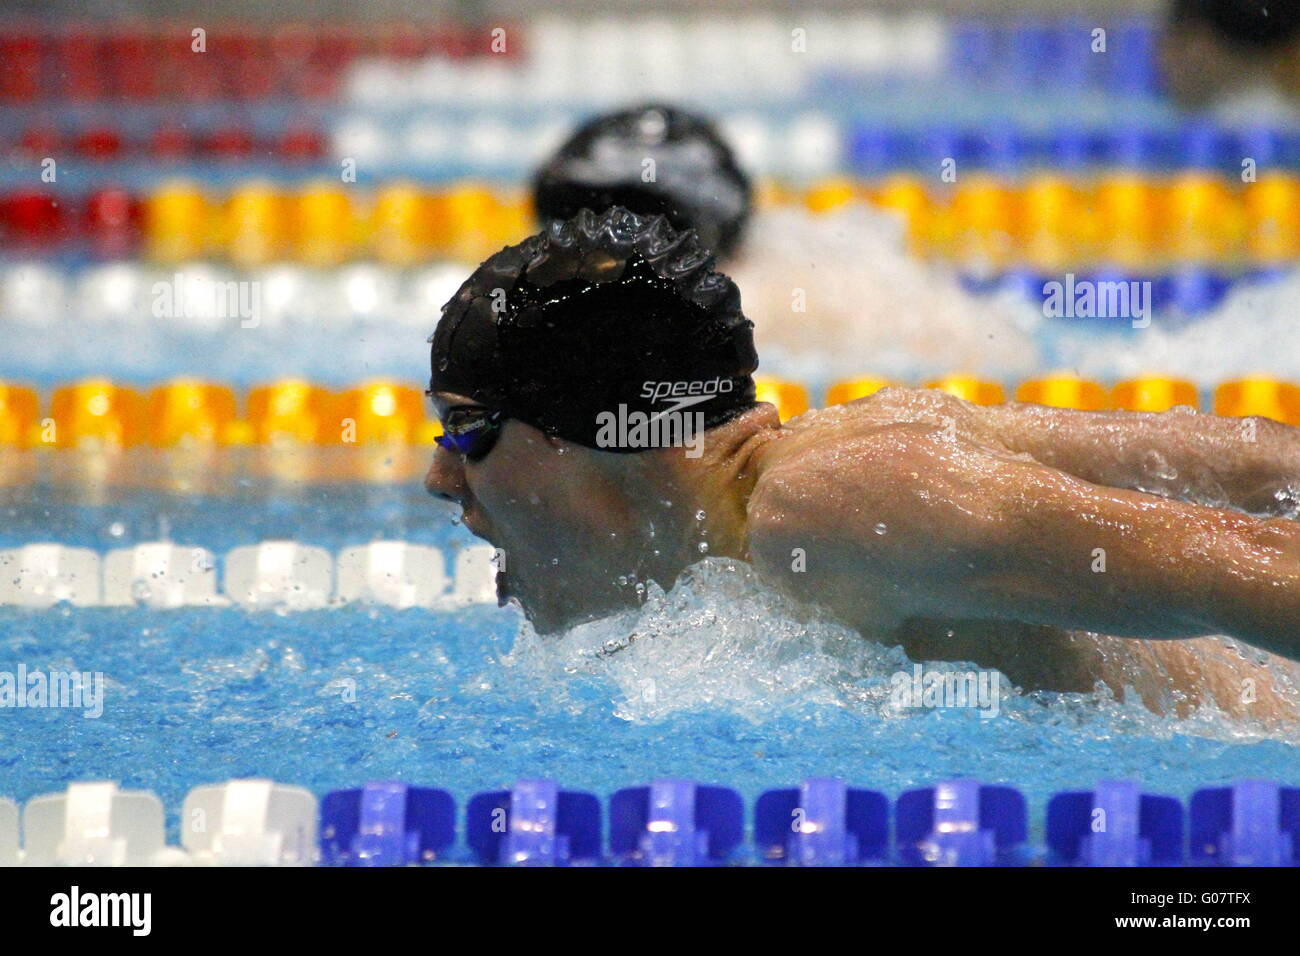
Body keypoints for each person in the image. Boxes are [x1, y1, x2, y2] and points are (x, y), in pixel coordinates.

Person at [426, 207, 1300, 719]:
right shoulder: (855, 447)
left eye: (467, 431)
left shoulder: (833, 510)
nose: (441, 477)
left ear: (600, 434)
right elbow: (1226, 459)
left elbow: (1237, 562)